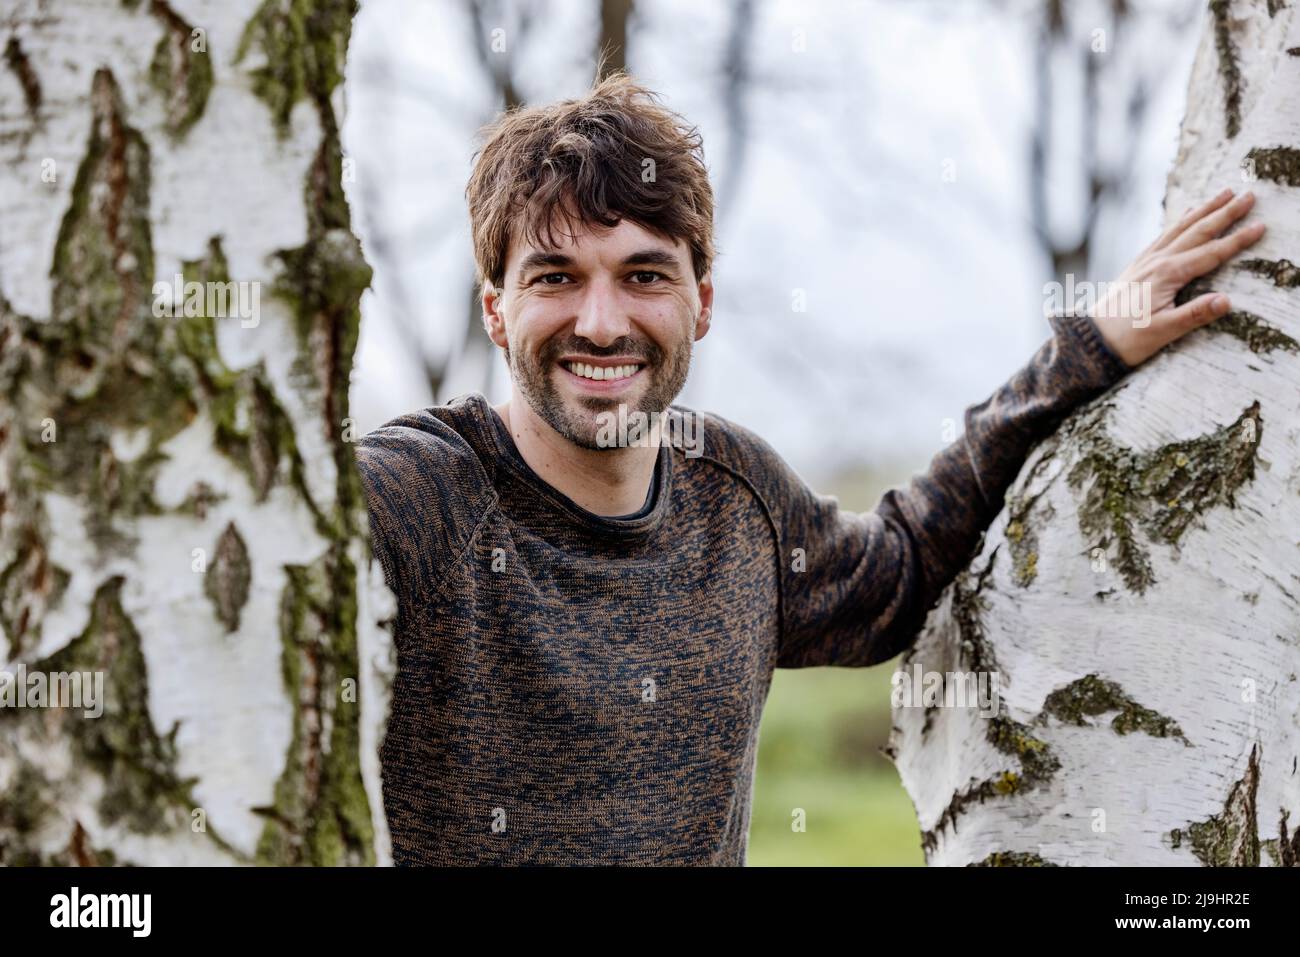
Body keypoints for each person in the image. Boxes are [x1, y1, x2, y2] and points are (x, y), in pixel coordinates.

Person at [355, 71, 1265, 865]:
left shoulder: (737, 498)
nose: (601, 323)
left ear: (702, 302)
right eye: (555, 276)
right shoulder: (409, 500)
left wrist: (1087, 347)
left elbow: (902, 564)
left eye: (644, 275)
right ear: (495, 309)